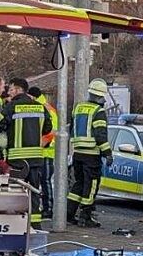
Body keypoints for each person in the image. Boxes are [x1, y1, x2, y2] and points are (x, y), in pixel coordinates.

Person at [1, 78, 51, 226]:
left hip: (17, 160)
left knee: (16, 192)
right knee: (34, 192)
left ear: (17, 89)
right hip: (35, 158)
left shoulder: (11, 107)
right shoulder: (40, 107)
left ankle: (16, 225)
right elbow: (47, 128)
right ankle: (35, 225)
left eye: (10, 89)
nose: (9, 92)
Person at [67, 78, 112, 228]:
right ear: (100, 96)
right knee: (91, 186)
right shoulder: (98, 112)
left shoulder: (78, 108)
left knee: (78, 184)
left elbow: (71, 129)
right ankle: (85, 217)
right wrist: (108, 153)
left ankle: (69, 213)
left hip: (77, 153)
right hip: (92, 154)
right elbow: (100, 136)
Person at [28, 86, 59, 220]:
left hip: (46, 151)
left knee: (45, 181)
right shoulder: (42, 106)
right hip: (41, 151)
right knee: (42, 181)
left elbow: (51, 131)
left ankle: (48, 208)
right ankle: (45, 207)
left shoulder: (44, 108)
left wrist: (41, 144)